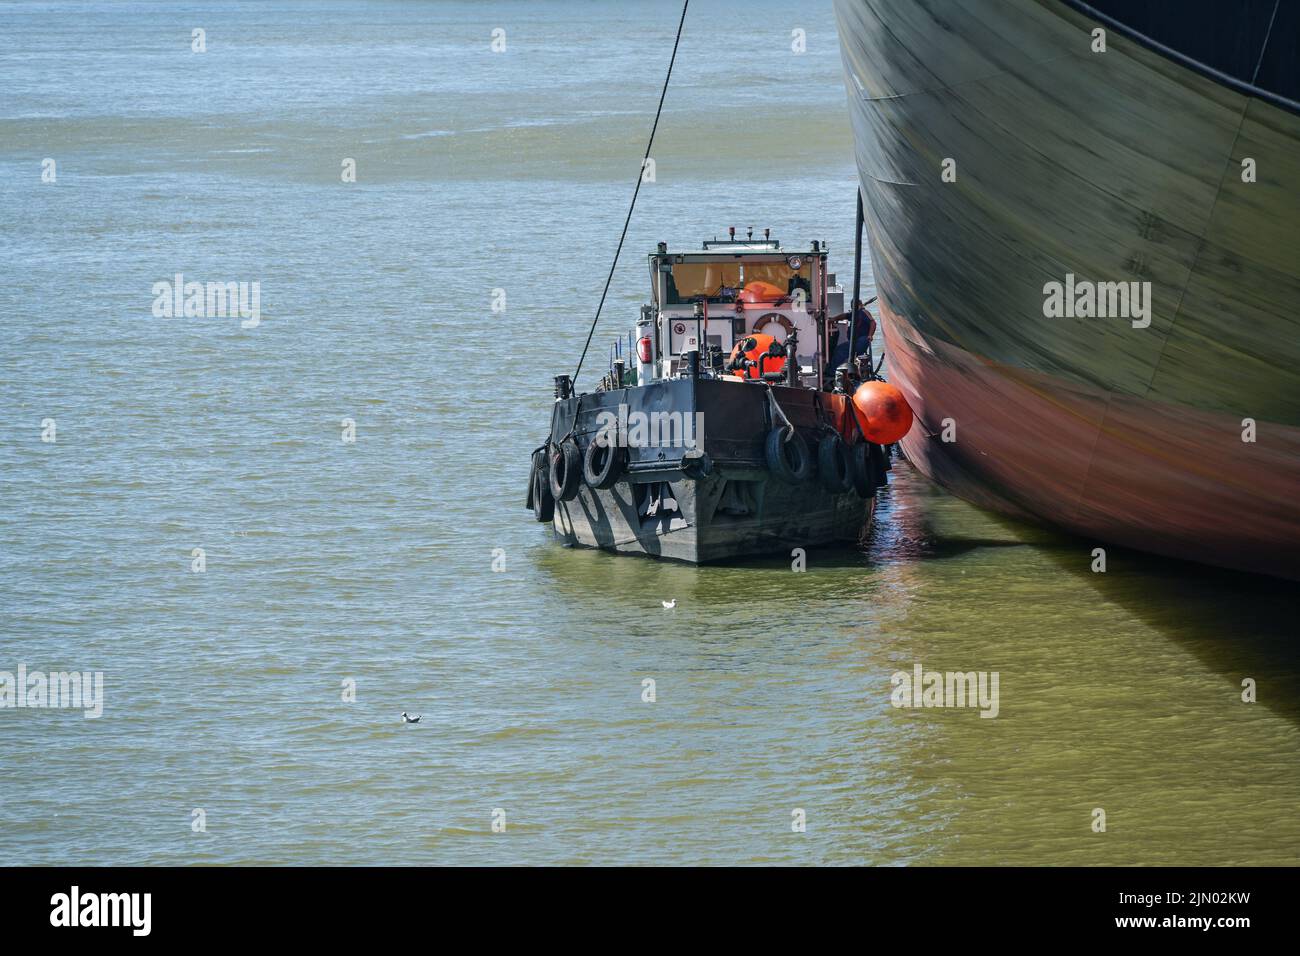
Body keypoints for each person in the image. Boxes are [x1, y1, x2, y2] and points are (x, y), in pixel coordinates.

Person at [827, 299, 876, 372]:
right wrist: (834, 319)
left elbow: (873, 322)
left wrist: (870, 335)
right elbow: (845, 315)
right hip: (856, 341)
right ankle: (846, 370)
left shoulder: (864, 312)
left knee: (840, 350)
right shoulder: (855, 313)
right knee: (843, 351)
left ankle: (832, 372)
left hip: (861, 341)